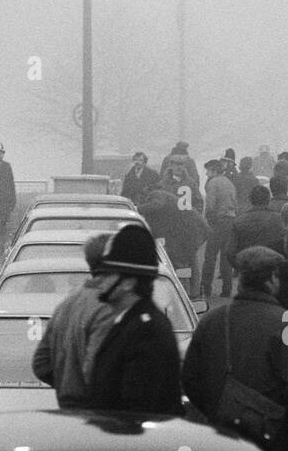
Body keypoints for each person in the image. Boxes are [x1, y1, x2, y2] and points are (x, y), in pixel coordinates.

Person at [181, 246, 288, 451]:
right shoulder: (287, 323)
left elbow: (190, 378)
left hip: (224, 431)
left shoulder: (213, 320)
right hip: (275, 436)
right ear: (273, 278)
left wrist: (215, 408)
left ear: (240, 277)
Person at [86, 225, 183, 413]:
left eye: (107, 274)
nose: (98, 280)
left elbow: (136, 409)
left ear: (129, 283)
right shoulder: (128, 322)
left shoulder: (147, 332)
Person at [32, 233, 117, 408]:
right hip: (103, 415)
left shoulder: (67, 304)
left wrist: (67, 385)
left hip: (69, 407)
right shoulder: (110, 307)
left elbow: (41, 363)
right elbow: (99, 371)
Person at [201, 158, 238, 299]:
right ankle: (227, 289)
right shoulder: (229, 182)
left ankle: (206, 288)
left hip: (217, 222)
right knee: (225, 257)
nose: (206, 174)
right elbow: (235, 203)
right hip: (230, 221)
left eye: (208, 171)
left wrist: (209, 222)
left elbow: (210, 205)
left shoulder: (212, 183)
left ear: (214, 171)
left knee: (210, 257)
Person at [227, 184, 285, 266]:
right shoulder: (280, 219)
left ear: (250, 200)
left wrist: (241, 268)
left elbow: (230, 252)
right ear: (269, 199)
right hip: (274, 269)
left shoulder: (238, 221)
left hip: (249, 270)